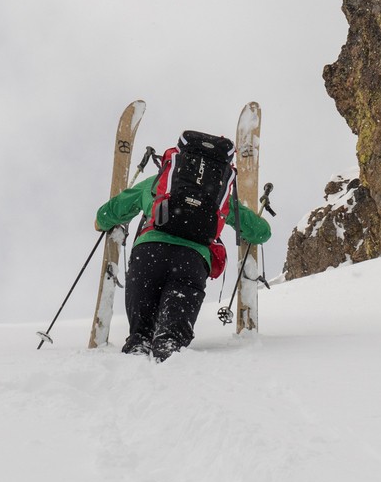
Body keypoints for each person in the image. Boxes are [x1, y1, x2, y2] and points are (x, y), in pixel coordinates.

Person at [95, 147, 271, 362]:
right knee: (170, 341)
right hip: (191, 261)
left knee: (140, 337)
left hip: (148, 255)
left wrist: (101, 222)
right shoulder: (219, 197)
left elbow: (108, 213)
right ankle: (170, 373)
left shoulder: (157, 184)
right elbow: (261, 232)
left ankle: (134, 364)